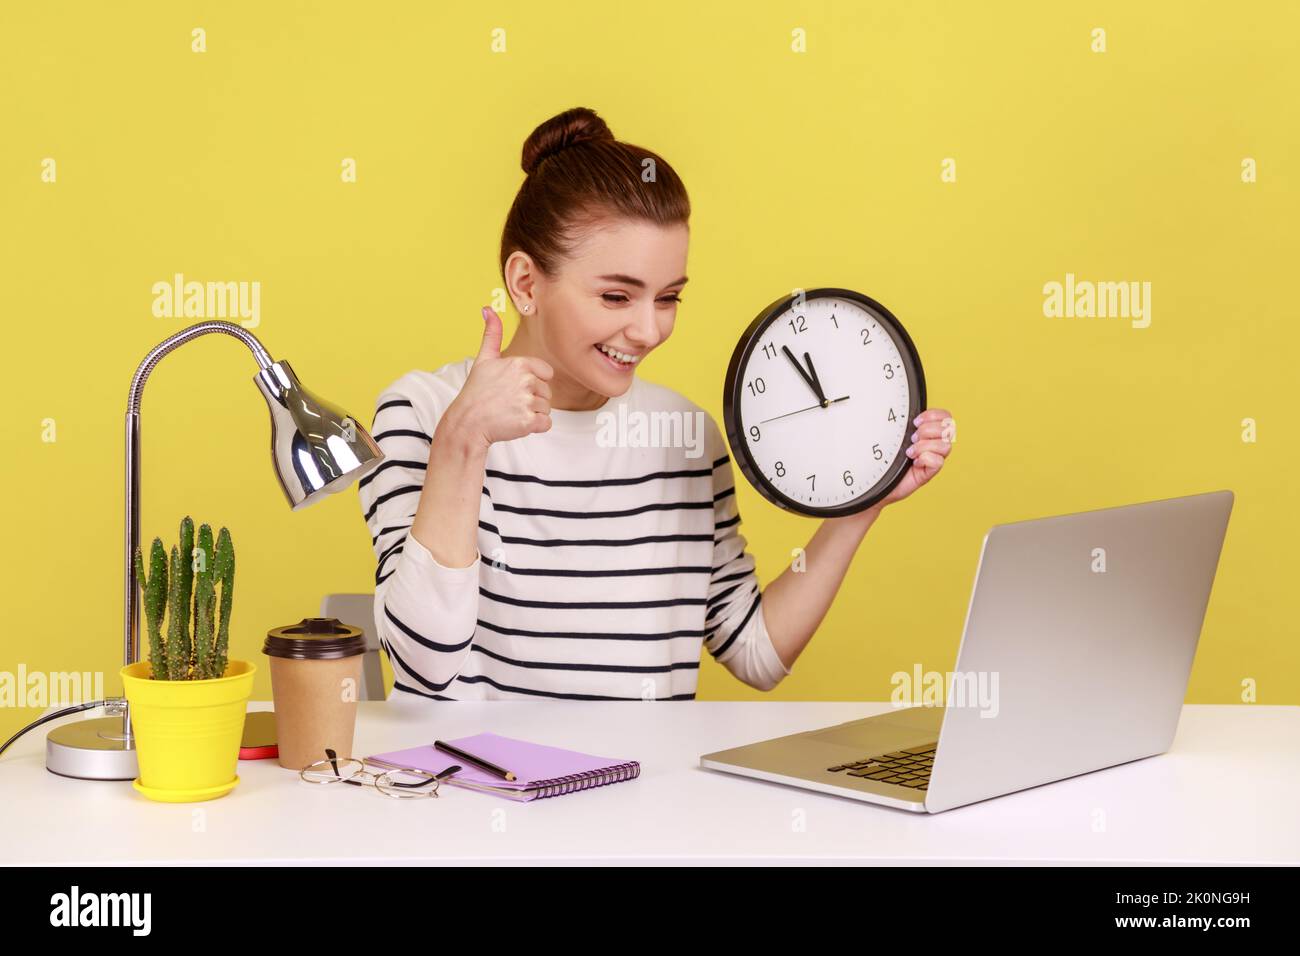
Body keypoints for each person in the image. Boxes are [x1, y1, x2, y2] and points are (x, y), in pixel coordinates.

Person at [358, 106, 953, 701]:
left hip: (643, 790)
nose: (647, 331)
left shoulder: (685, 436)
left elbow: (756, 652)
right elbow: (423, 663)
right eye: (616, 296)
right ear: (525, 283)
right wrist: (464, 441)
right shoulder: (422, 413)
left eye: (668, 298)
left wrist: (863, 502)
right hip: (479, 791)